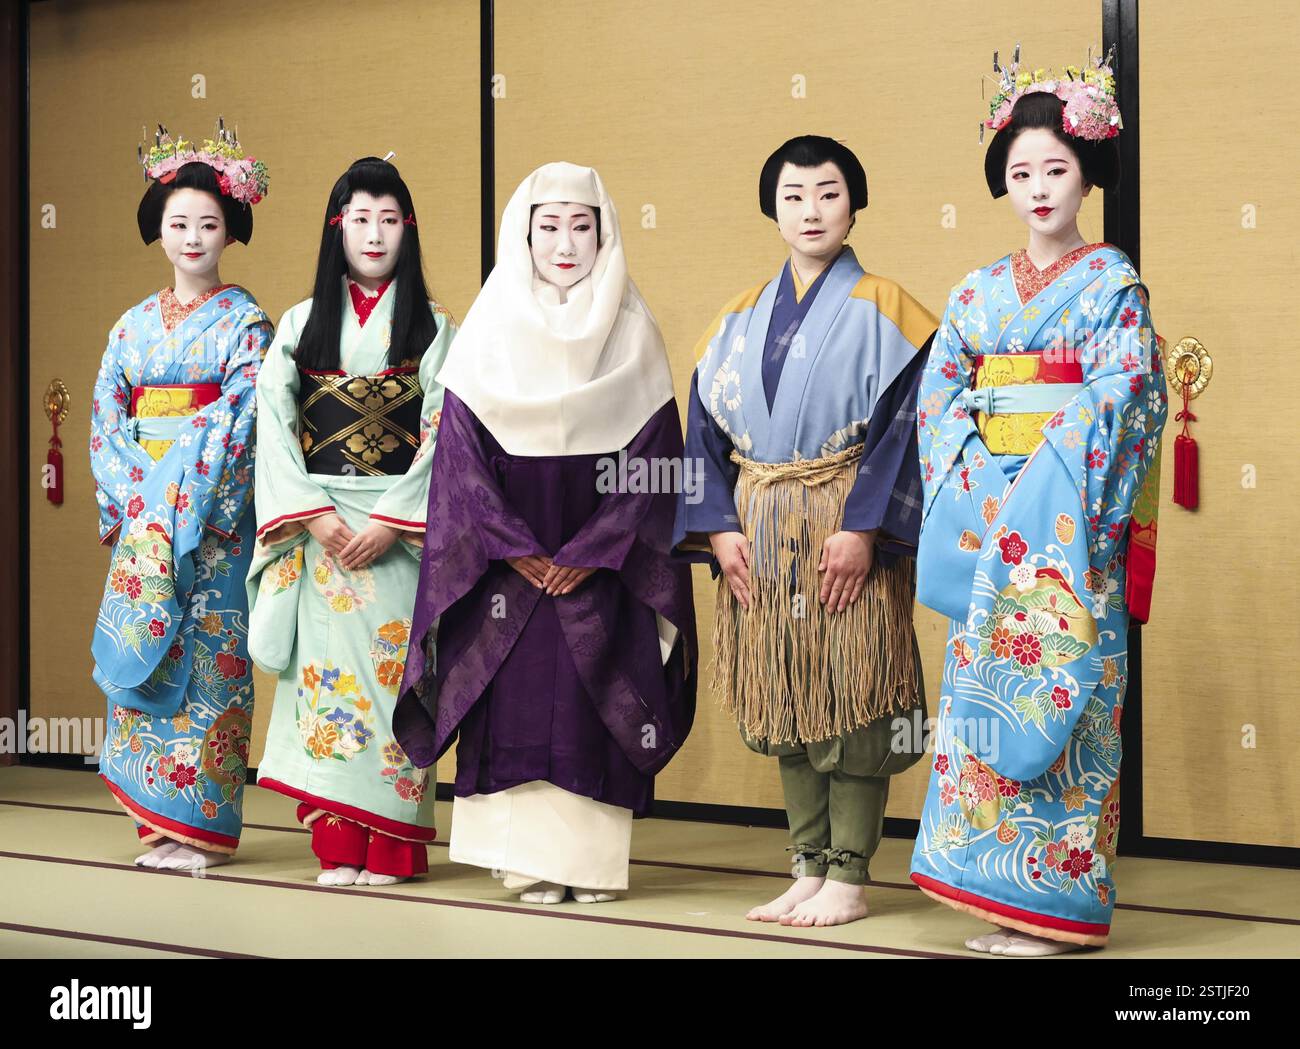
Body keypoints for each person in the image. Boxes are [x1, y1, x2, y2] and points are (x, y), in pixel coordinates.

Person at [908, 49, 1167, 956]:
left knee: (1066, 711)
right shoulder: (974, 292)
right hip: (995, 535)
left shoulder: (1113, 287)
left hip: (1063, 544)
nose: (1039, 188)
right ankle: (994, 897)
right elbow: (941, 397)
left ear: (1087, 173)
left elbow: (1127, 394)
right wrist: (985, 485)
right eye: (1021, 172)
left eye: (1056, 168)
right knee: (989, 708)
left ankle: (1058, 909)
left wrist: (1043, 482)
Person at [395, 162, 697, 905]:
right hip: (508, 567)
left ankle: (589, 867)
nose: (566, 243)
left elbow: (657, 462)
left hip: (603, 566)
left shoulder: (635, 329)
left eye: (582, 225)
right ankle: (525, 860)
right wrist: (514, 546)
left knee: (593, 702)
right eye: (550, 225)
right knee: (520, 701)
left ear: (606, 233)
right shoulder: (490, 324)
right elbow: (460, 458)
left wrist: (593, 552)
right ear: (523, 234)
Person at [674, 135, 935, 927]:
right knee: (782, 688)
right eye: (793, 195)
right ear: (773, 209)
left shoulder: (893, 312)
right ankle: (806, 863)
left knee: (856, 692)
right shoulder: (735, 320)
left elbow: (910, 432)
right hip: (758, 526)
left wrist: (864, 530)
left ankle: (851, 872)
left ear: (855, 203)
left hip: (843, 527)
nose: (811, 209)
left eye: (827, 192)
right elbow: (702, 437)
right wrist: (719, 530)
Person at [248, 156, 454, 887]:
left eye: (388, 219)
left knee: (394, 678)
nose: (374, 233)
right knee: (326, 681)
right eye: (360, 219)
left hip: (396, 535)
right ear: (338, 229)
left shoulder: (433, 327)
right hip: (323, 528)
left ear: (409, 229)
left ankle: (393, 847)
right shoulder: (303, 323)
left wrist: (395, 520)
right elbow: (272, 422)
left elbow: (446, 429)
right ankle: (339, 845)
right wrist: (314, 516)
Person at [91, 121, 271, 871]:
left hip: (209, 523)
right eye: (179, 224)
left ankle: (199, 827)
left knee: (209, 667)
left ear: (229, 229)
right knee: (149, 658)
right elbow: (109, 414)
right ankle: (153, 822)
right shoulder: (130, 327)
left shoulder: (246, 322)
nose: (193, 237)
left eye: (207, 223)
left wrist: (174, 495)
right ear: (157, 231)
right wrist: (144, 494)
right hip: (148, 520)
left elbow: (242, 415)